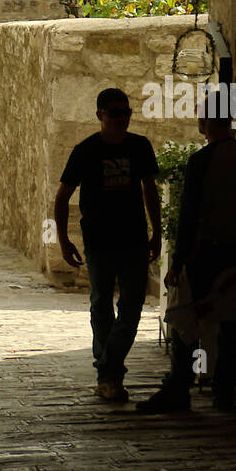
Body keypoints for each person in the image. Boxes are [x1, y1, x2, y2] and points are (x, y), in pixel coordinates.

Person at [136, 94, 236, 415]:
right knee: (232, 321)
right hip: (235, 248)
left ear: (206, 120)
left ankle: (179, 387)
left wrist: (177, 261)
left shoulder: (201, 161)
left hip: (202, 252)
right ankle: (224, 392)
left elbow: (189, 215)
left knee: (188, 319)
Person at [53, 87, 161, 404]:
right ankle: (109, 376)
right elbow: (62, 196)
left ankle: (108, 367)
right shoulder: (86, 151)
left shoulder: (140, 147)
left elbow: (149, 190)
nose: (122, 119)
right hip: (99, 238)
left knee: (132, 305)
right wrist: (63, 239)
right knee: (101, 303)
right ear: (100, 115)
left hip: (133, 237)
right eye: (115, 113)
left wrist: (156, 232)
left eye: (126, 112)